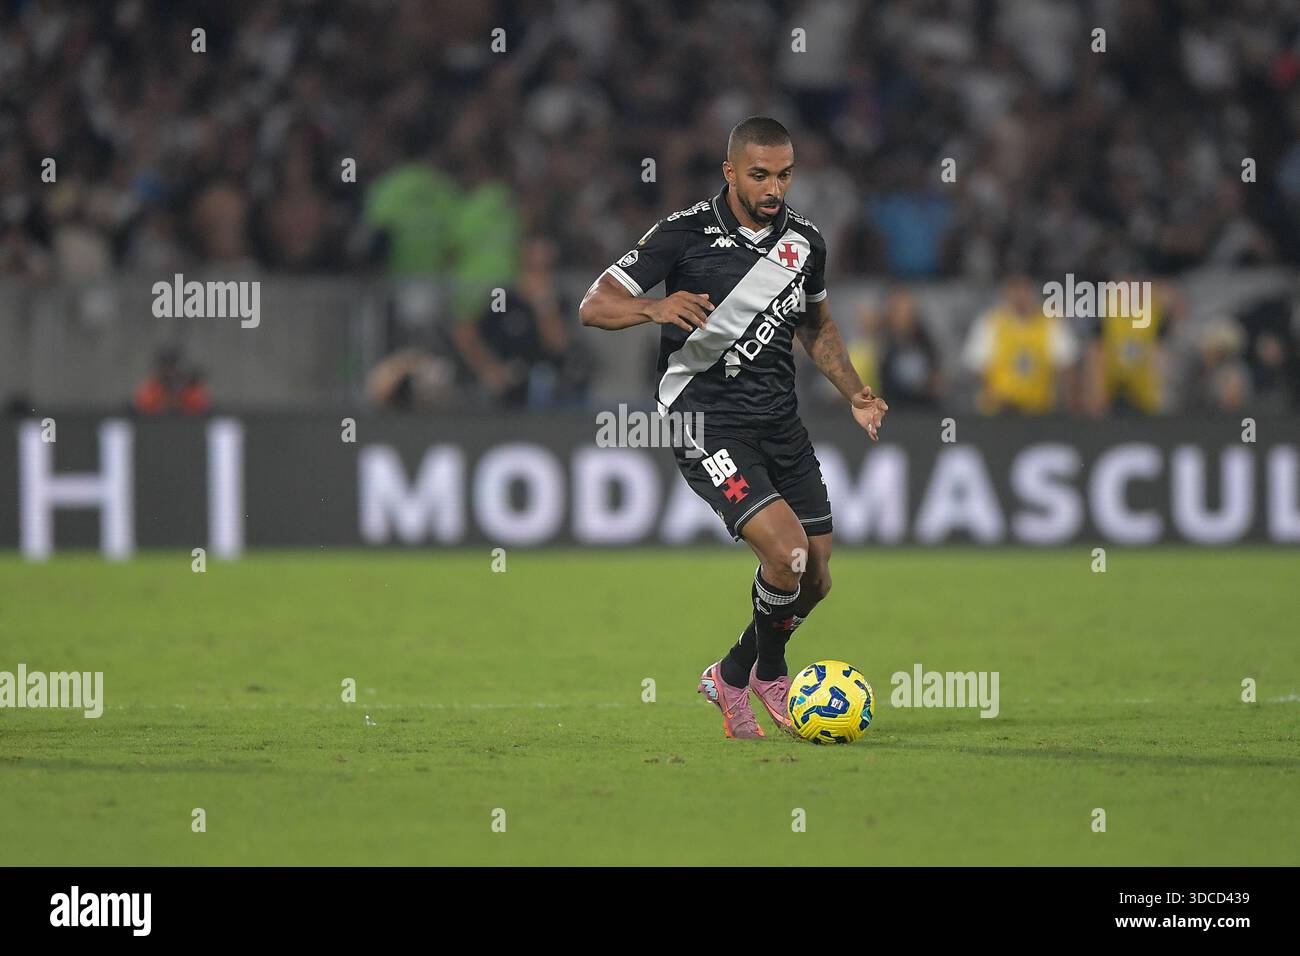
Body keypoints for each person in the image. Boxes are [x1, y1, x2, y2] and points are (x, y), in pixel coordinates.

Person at [578, 117, 887, 739]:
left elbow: (816, 328)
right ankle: (770, 673)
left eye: (785, 174)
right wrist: (654, 307)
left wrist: (855, 392)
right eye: (760, 175)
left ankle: (731, 672)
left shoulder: (805, 241)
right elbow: (594, 304)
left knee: (817, 577)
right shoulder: (683, 234)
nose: (775, 188)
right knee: (786, 554)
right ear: (731, 173)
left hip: (779, 421)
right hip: (704, 418)